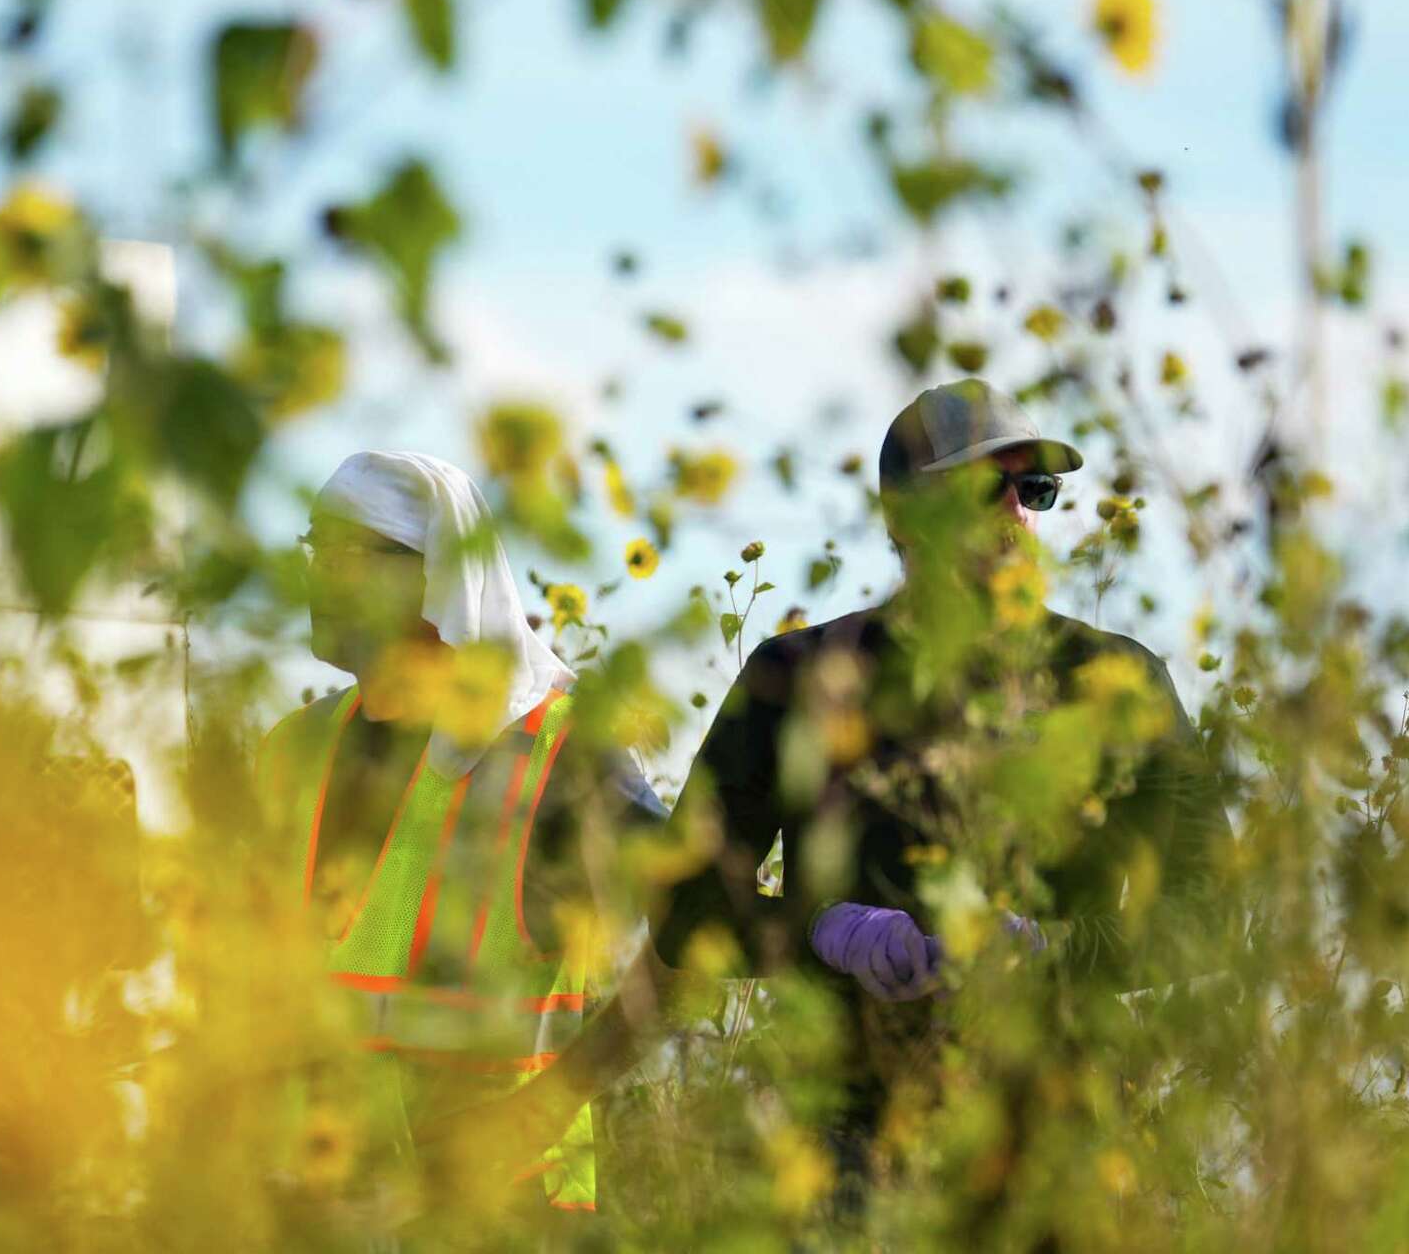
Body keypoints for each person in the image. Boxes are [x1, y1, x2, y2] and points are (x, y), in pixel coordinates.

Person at [449, 379, 1231, 1215]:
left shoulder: (1117, 683)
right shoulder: (799, 679)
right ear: (903, 521)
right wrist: (829, 931)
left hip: (1058, 1134)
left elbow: (1211, 910)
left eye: (1033, 489)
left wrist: (1048, 950)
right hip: (841, 1146)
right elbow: (685, 898)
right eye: (982, 487)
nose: (1015, 511)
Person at [256, 451, 668, 1220]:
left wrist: (547, 1108)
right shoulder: (290, 749)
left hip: (504, 1217)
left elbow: (705, 920)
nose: (317, 576)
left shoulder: (561, 754)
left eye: (349, 554)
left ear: (438, 575)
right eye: (315, 548)